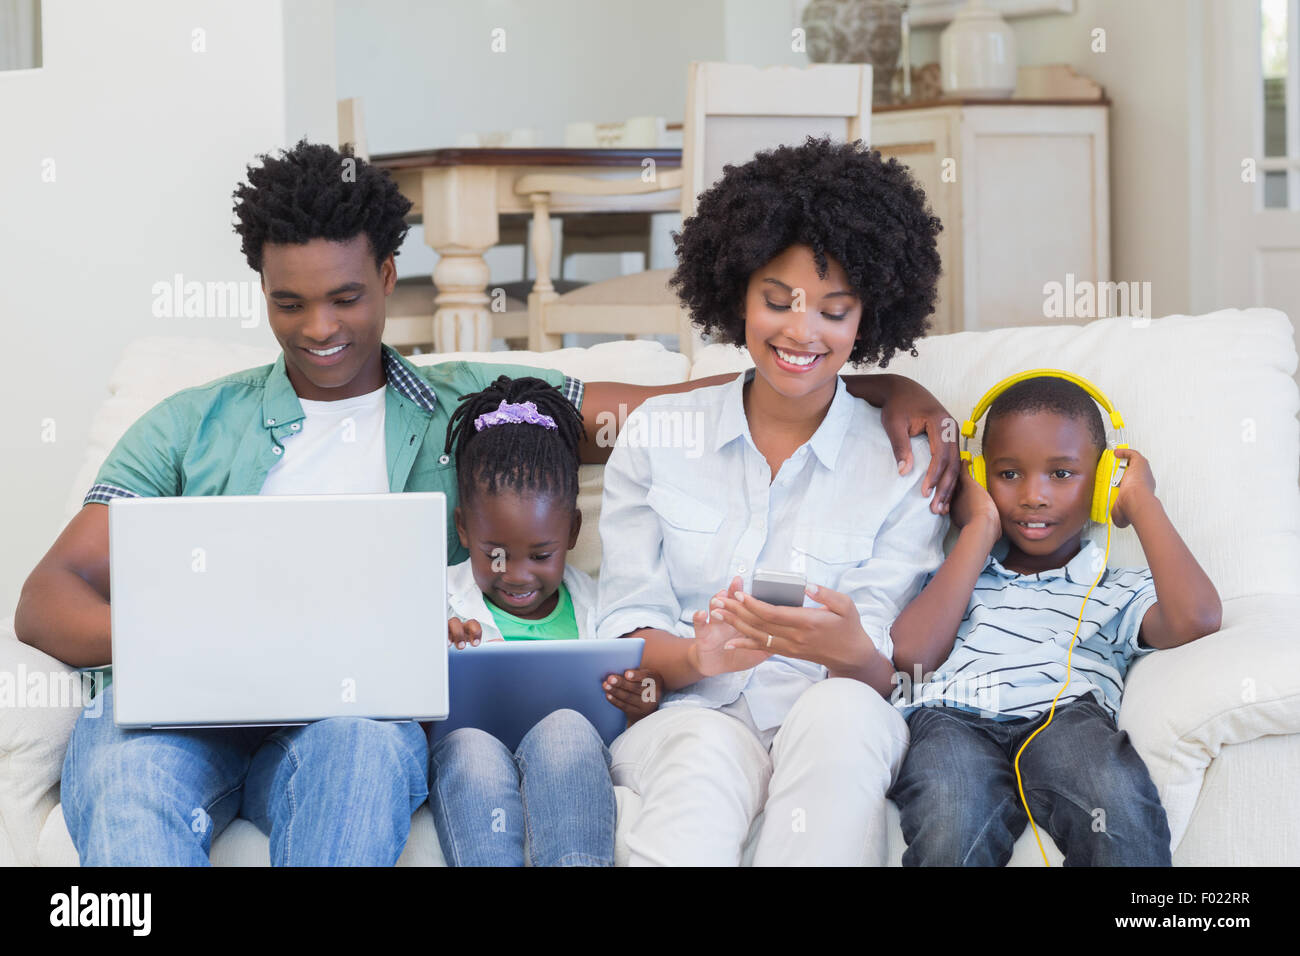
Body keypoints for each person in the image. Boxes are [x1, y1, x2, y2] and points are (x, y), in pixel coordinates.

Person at [13, 139, 960, 865]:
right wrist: (208, 641)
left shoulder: (473, 405)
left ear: (389, 279)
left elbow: (690, 404)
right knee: (130, 776)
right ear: (261, 292)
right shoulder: (188, 425)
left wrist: (881, 390)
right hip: (182, 706)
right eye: (289, 304)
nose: (321, 329)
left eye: (345, 297)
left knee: (364, 751)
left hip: (352, 714)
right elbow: (44, 601)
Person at [596, 136, 949, 866]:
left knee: (845, 712)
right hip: (692, 714)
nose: (801, 330)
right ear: (736, 292)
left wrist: (851, 652)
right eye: (776, 300)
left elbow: (886, 671)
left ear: (869, 318)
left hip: (831, 711)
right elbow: (626, 633)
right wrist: (699, 653)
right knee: (699, 748)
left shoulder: (901, 463)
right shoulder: (658, 438)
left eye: (834, 309)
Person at [887, 375, 1222, 866]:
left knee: (1120, 813)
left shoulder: (1114, 590)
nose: (1033, 496)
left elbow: (1198, 618)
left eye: (1061, 475)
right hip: (951, 719)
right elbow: (911, 656)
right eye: (1008, 474)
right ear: (978, 478)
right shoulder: (956, 576)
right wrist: (979, 527)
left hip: (1067, 721)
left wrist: (1139, 501)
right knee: (950, 824)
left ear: (1103, 480)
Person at [434, 374, 660, 866]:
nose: (517, 575)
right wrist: (428, 654)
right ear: (463, 530)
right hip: (468, 756)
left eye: (540, 555)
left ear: (574, 531)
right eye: (497, 555)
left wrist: (641, 699)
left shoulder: (602, 608)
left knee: (566, 729)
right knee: (469, 746)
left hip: (569, 757)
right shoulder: (436, 603)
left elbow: (639, 699)